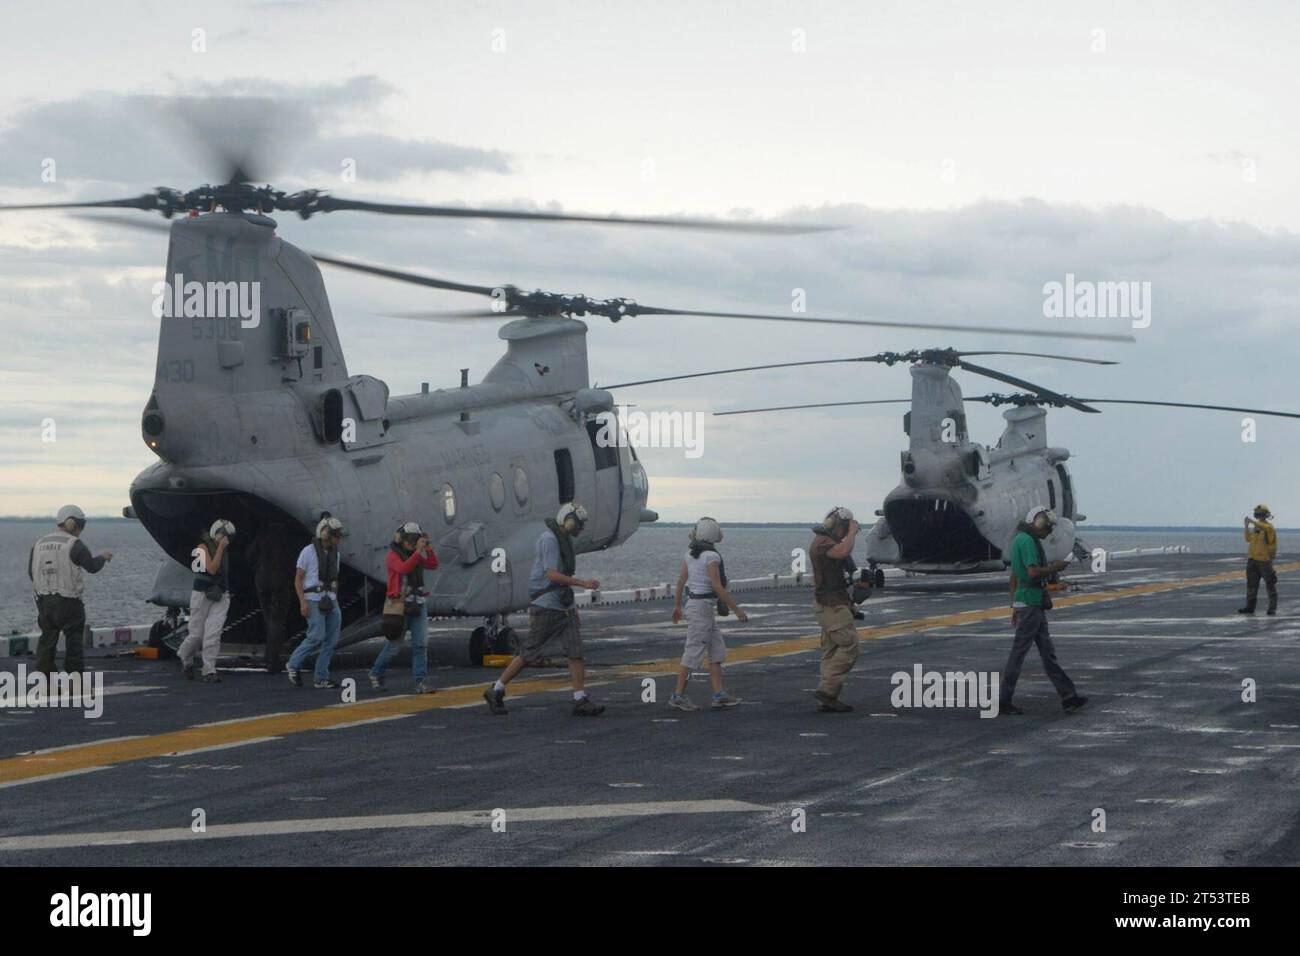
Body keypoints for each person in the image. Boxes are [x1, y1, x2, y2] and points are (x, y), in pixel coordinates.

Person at [483, 503, 604, 716]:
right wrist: (583, 583)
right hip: (547, 606)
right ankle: (496, 689)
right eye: (579, 524)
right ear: (568, 521)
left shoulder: (564, 540)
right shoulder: (549, 540)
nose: (581, 529)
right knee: (529, 652)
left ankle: (580, 699)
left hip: (564, 605)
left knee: (576, 652)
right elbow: (552, 575)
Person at [1000, 506, 1088, 715]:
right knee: (1020, 654)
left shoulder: (1018, 539)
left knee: (1047, 653)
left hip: (1028, 603)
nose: (1048, 531)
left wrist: (1014, 604)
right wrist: (1055, 568)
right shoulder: (1029, 541)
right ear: (1038, 522)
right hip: (1031, 604)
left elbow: (1014, 577)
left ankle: (1068, 697)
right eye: (1047, 526)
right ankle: (1003, 700)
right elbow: (1032, 572)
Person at [668, 517, 747, 710]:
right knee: (693, 653)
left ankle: (719, 694)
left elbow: (680, 582)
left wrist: (677, 605)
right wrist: (737, 610)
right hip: (702, 609)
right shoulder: (712, 557)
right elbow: (717, 586)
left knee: (716, 651)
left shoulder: (690, 553)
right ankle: (678, 695)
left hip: (696, 606)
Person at [28, 505, 112, 676]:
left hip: (44, 601)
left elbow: (32, 573)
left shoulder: (38, 544)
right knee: (73, 642)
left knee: (47, 640)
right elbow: (92, 567)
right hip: (69, 602)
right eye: (80, 526)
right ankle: (74, 681)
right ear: (72, 523)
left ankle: (46, 681)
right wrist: (103, 557)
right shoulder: (74, 544)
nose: (81, 530)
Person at [371, 521, 440, 693]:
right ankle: (376, 672)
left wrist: (428, 547)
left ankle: (420, 682)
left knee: (420, 645)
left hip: (418, 603)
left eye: (415, 540)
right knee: (394, 645)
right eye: (409, 540)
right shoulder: (393, 556)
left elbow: (433, 564)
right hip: (399, 606)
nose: (411, 543)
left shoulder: (415, 556)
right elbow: (403, 568)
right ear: (401, 539)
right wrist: (418, 551)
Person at [810, 506, 861, 712]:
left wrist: (849, 604)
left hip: (833, 602)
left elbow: (837, 578)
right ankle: (828, 690)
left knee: (831, 650)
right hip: (830, 605)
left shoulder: (826, 541)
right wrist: (852, 533)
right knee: (850, 646)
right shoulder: (823, 543)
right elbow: (842, 551)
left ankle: (828, 697)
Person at [288, 514, 345, 689]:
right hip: (313, 599)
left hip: (331, 599)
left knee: (332, 640)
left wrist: (335, 598)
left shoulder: (336, 554)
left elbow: (335, 578)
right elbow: (298, 579)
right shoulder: (308, 551)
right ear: (325, 533)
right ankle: (293, 663)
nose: (337, 538)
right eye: (335, 535)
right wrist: (302, 602)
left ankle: (321, 677)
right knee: (316, 636)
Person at [178, 520, 235, 683]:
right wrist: (221, 548)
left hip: (220, 594)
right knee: (196, 635)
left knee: (213, 633)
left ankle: (209, 669)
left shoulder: (222, 550)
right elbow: (211, 569)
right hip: (202, 594)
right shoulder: (202, 548)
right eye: (222, 536)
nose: (224, 540)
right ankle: (185, 656)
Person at [246, 520, 299, 673]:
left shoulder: (261, 536)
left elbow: (249, 556)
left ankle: (268, 655)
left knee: (268, 618)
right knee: (278, 621)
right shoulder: (289, 538)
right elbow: (297, 560)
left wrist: (257, 568)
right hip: (281, 581)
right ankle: (273, 660)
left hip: (262, 581)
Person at [1238, 504, 1278, 616]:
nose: (1259, 516)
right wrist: (1246, 526)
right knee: (1251, 585)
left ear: (1265, 515)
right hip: (1253, 560)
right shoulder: (1256, 528)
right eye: (1257, 514)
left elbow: (1265, 528)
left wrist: (1252, 522)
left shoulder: (1269, 528)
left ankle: (1272, 608)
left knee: (1270, 584)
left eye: (1260, 514)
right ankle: (1250, 607)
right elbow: (1247, 538)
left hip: (1265, 561)